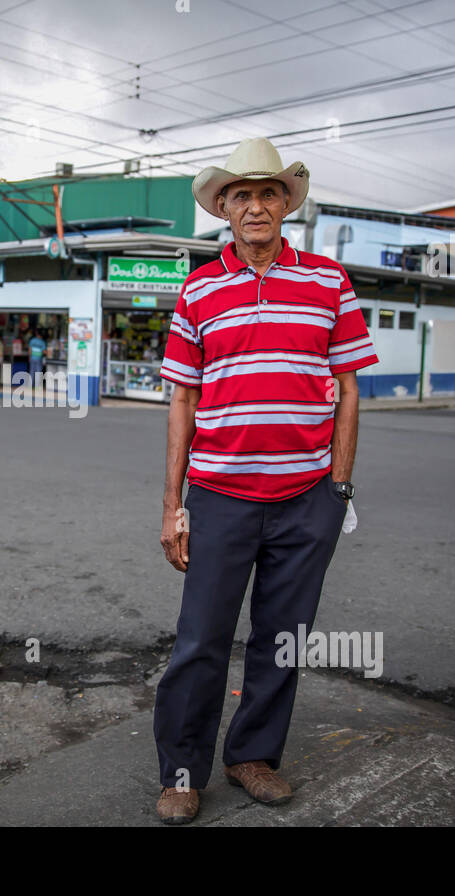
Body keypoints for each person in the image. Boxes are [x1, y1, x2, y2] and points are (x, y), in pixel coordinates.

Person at [153, 137, 379, 825]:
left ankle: (253, 755)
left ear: (286, 204)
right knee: (201, 641)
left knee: (283, 637)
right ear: (223, 207)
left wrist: (337, 488)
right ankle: (183, 771)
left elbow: (347, 388)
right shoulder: (198, 289)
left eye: (269, 193)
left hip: (305, 499)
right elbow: (182, 401)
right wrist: (173, 507)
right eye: (242, 195)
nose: (256, 205)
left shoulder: (327, 281)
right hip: (219, 498)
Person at [28, 328, 47, 394]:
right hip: (39, 358)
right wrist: (48, 352)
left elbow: (29, 350)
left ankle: (30, 386)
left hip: (32, 358)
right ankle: (37, 387)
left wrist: (29, 357)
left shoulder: (32, 341)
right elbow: (44, 352)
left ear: (36, 334)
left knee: (32, 372)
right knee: (38, 372)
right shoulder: (42, 342)